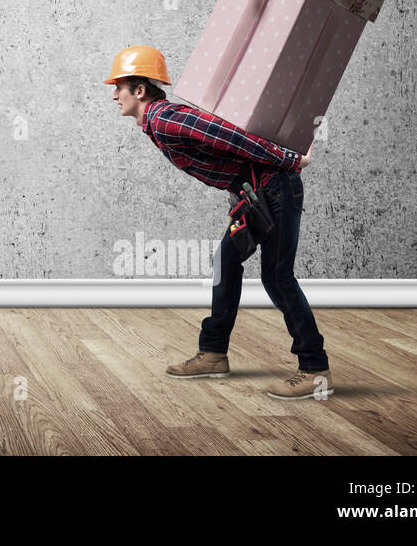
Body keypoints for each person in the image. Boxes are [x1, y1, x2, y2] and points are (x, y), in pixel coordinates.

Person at [104, 44, 334, 400]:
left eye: (119, 86)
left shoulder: (165, 117)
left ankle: (315, 369)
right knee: (224, 264)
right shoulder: (157, 122)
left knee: (277, 277)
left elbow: (229, 136)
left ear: (139, 90)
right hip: (256, 192)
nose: (114, 94)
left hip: (274, 185)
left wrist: (289, 159)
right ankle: (213, 354)